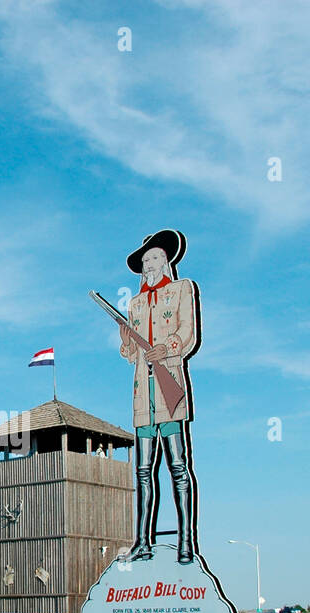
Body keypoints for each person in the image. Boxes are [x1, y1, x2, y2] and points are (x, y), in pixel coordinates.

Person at [118, 229, 199, 564]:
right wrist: (126, 339)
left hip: (170, 389)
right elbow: (129, 353)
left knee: (178, 467)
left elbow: (188, 333)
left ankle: (185, 541)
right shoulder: (135, 303)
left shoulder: (182, 290)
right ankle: (143, 541)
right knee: (142, 471)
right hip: (143, 394)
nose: (149, 264)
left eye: (154, 257)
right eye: (145, 260)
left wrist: (167, 349)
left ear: (166, 260)